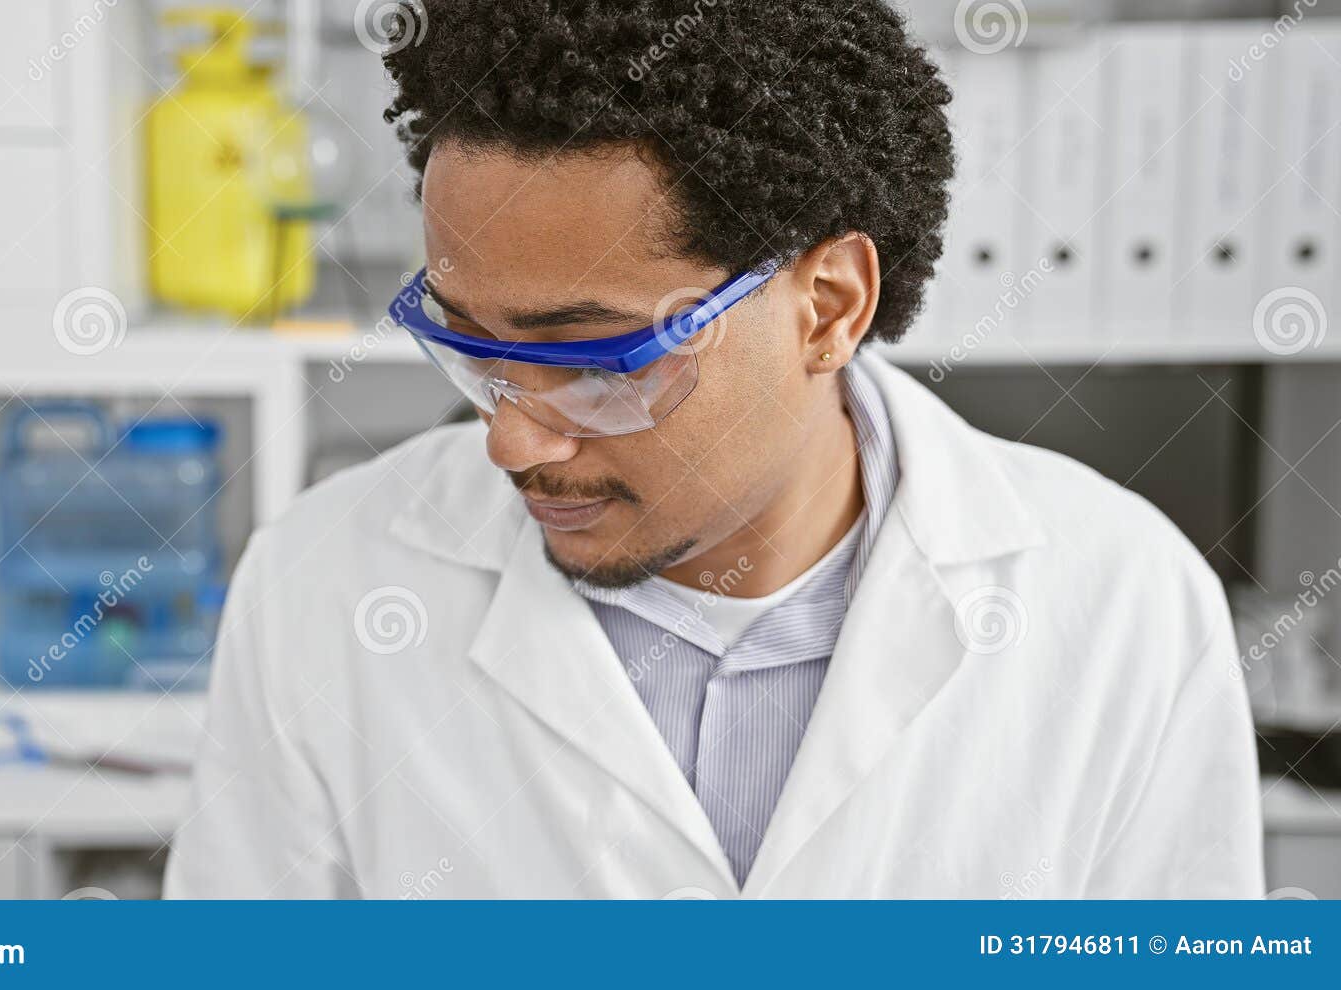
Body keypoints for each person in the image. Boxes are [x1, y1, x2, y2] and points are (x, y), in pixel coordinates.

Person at [165, 0, 1262, 898]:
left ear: (826, 306)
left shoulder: (1120, 597)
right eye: (470, 347)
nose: (508, 437)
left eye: (597, 360)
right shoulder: (323, 579)